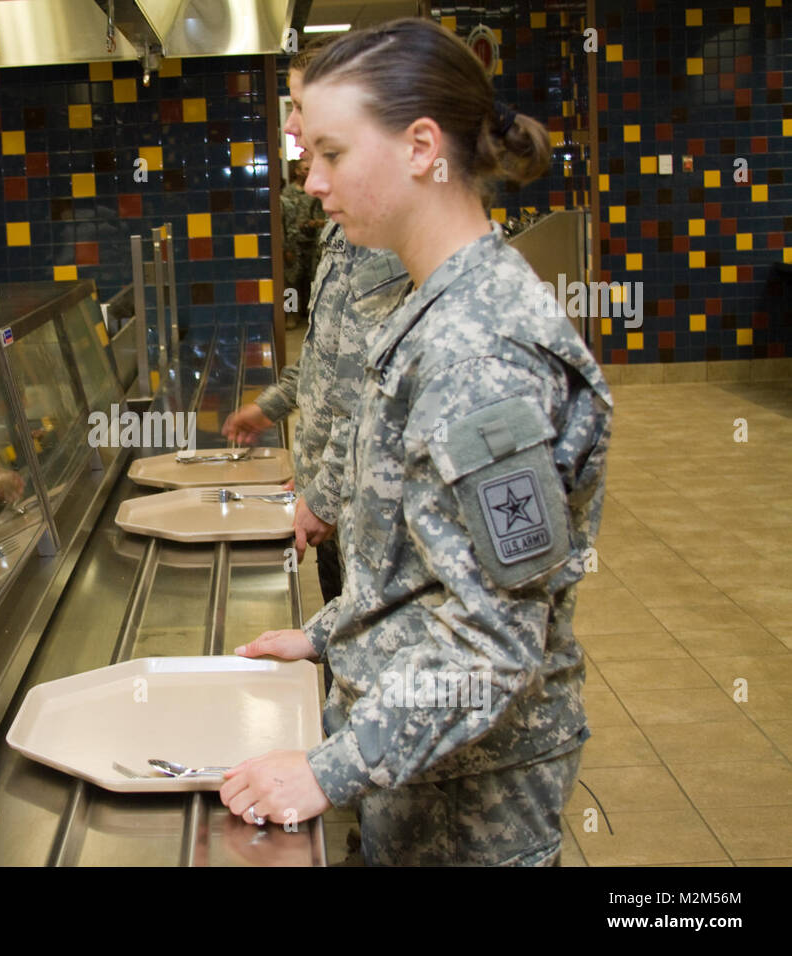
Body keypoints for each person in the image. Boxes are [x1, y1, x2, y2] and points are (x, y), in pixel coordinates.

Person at [218, 18, 613, 866]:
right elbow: (423, 554)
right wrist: (331, 633)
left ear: (420, 146)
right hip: (419, 750)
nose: (310, 179)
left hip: (473, 789)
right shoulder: (430, 305)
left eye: (330, 153)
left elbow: (496, 641)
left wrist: (332, 768)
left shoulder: (483, 353)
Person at [223, 41, 408, 614]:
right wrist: (275, 405)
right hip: (335, 503)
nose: (295, 130)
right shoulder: (345, 229)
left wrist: (322, 497)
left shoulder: (389, 245)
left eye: (302, 108)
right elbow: (329, 355)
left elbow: (365, 396)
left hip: (360, 509)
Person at [281, 155, 323, 329]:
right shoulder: (288, 193)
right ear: (297, 171)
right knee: (291, 283)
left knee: (312, 279)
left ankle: (309, 312)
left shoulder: (315, 191)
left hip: (312, 243)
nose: (308, 171)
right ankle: (290, 314)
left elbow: (321, 216)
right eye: (305, 169)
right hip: (294, 243)